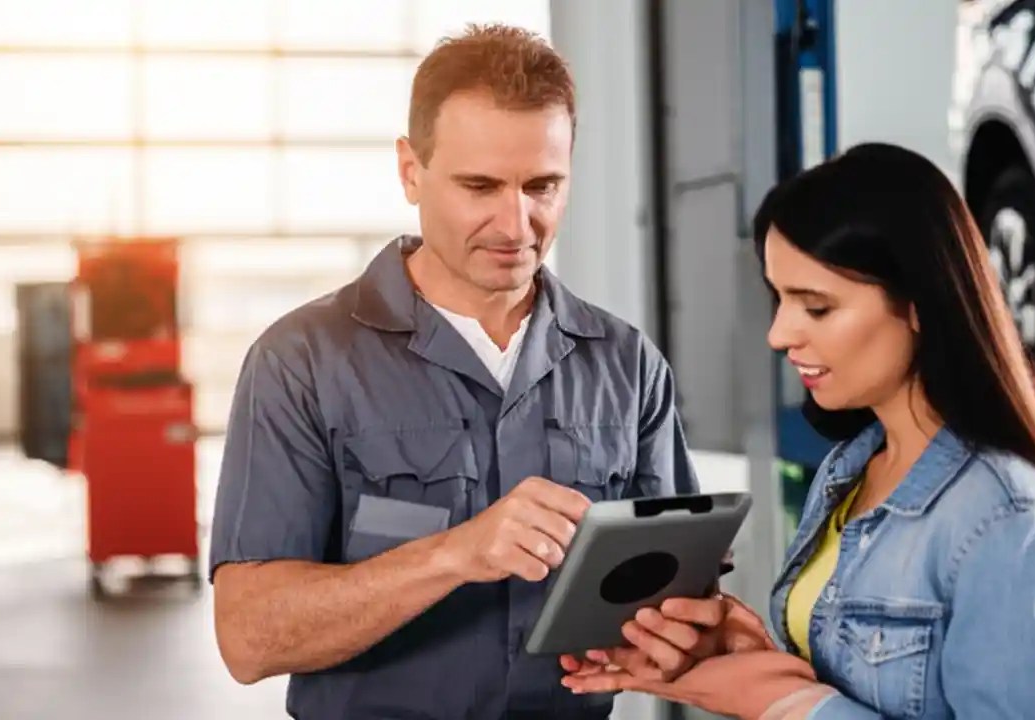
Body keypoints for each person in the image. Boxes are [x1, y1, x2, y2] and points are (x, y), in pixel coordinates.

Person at [207, 23, 700, 720]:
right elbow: (248, 638)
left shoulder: (626, 364)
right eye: (480, 186)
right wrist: (455, 554)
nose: (516, 223)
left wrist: (679, 634)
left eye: (542, 186)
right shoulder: (301, 363)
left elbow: (668, 594)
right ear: (411, 170)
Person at [560, 143, 1035, 719]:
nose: (779, 333)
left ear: (920, 304)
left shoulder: (1007, 516)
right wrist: (748, 656)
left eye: (815, 307)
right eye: (780, 298)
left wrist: (789, 705)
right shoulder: (850, 471)